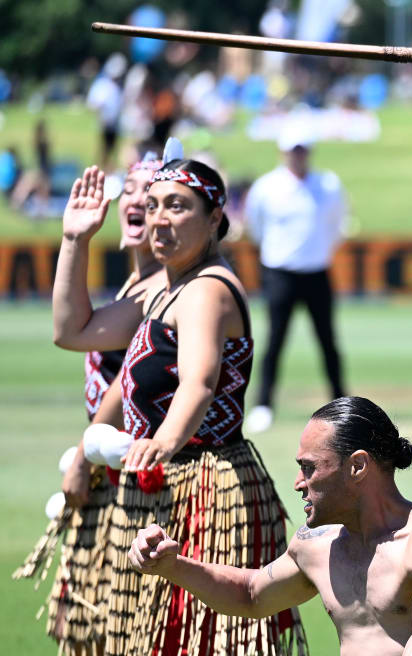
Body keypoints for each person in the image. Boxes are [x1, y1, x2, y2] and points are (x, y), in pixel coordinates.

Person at [50, 151, 307, 655]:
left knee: (199, 641)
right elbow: (71, 331)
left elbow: (199, 383)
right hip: (166, 483)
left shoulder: (206, 291)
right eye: (153, 205)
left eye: (177, 206)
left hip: (205, 488)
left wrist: (162, 443)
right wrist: (75, 239)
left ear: (214, 219)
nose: (158, 218)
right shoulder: (165, 290)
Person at [128, 396, 412, 655]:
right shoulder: (319, 545)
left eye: (310, 467)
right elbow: (251, 594)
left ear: (358, 467)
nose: (299, 482)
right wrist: (172, 566)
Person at [14, 151, 167, 656]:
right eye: (132, 185)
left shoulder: (165, 290)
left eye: (154, 190)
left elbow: (128, 385)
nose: (138, 198)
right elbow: (68, 330)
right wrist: (75, 237)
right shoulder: (139, 284)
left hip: (141, 481)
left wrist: (82, 455)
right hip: (115, 472)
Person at [244, 125, 348, 434]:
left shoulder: (328, 185)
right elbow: (255, 228)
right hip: (280, 274)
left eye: (302, 149)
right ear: (283, 152)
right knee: (274, 341)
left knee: (328, 342)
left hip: (317, 272)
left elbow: (338, 225)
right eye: (293, 150)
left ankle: (341, 404)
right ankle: (263, 405)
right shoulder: (267, 187)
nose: (298, 155)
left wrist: (318, 252)